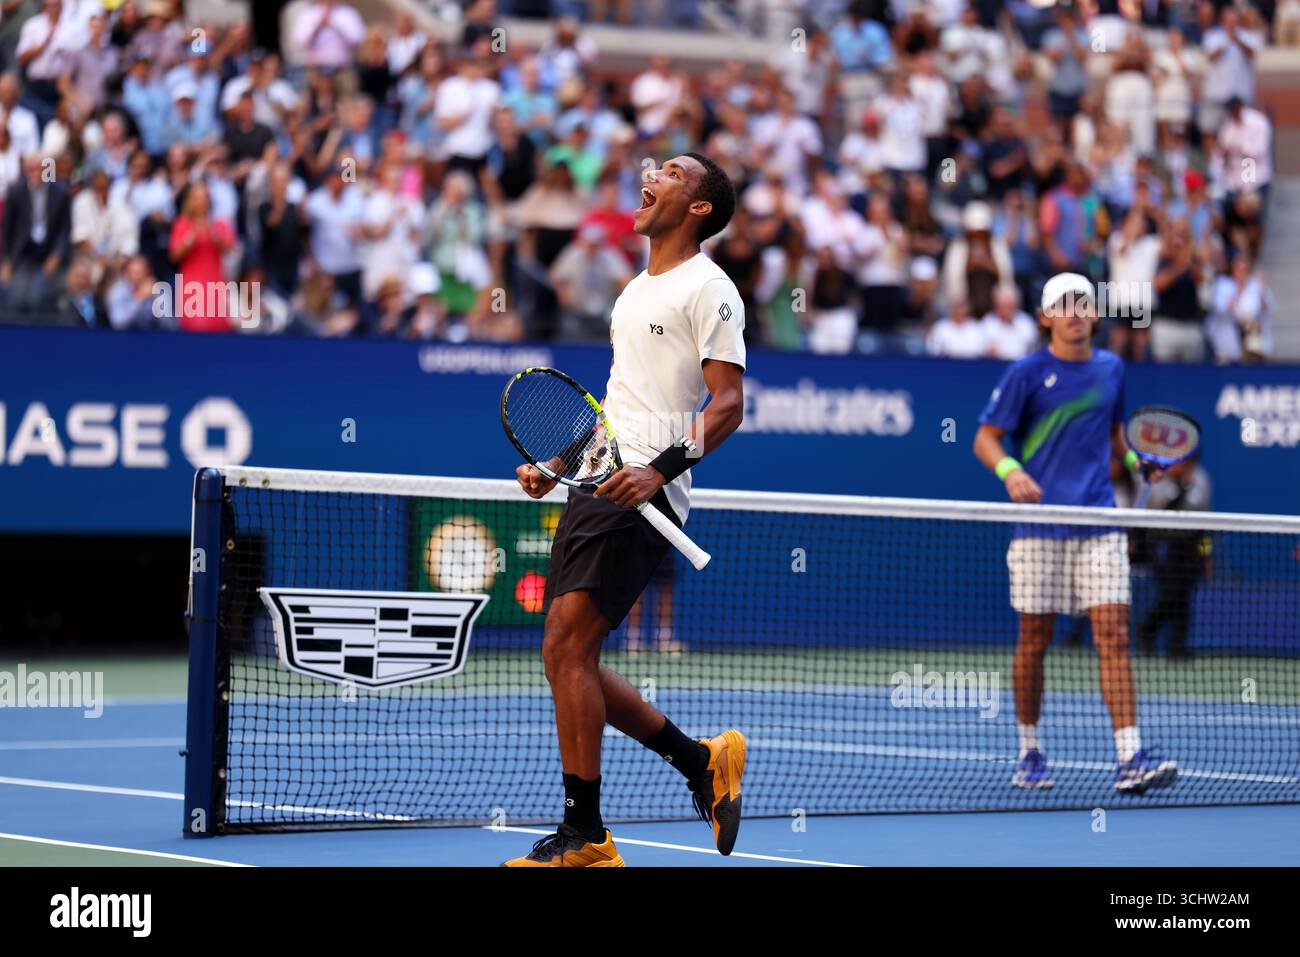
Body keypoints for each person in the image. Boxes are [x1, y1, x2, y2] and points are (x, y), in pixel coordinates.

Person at [506, 153, 746, 867]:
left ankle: (586, 835)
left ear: (699, 206)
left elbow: (729, 405)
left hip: (642, 496)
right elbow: (614, 407)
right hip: (597, 481)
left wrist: (657, 471)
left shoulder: (711, 288)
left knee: (567, 646)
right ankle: (700, 762)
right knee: (564, 650)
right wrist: (557, 466)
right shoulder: (635, 288)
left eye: (671, 172)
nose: (652, 176)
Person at [973, 272, 1178, 795]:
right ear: (1046, 317)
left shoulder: (1112, 368)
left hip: (1099, 523)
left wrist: (1134, 460)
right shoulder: (1026, 372)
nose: (1076, 312)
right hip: (1040, 528)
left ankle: (1130, 756)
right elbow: (986, 437)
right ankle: (1030, 749)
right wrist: (1010, 471)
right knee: (1034, 642)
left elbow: (1112, 429)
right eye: (1064, 305)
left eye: (1084, 304)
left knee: (1113, 636)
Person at [1136, 454, 1212, 660]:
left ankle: (1176, 646)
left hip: (1190, 547)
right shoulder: (1159, 481)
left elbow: (1205, 525)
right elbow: (1157, 511)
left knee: (1183, 597)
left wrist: (1206, 554)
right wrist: (1180, 487)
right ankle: (1146, 630)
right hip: (1163, 544)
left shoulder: (1201, 481)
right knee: (1171, 594)